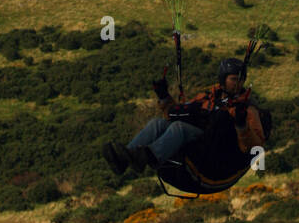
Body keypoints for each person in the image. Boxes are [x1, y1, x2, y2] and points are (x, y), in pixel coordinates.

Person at [102, 56, 270, 179]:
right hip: (198, 142)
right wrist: (164, 97)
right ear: (223, 79)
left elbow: (256, 145)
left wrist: (241, 125)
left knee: (178, 128)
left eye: (241, 80)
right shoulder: (208, 96)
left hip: (216, 153)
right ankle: (124, 158)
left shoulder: (247, 108)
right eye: (234, 79)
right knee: (157, 123)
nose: (238, 84)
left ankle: (146, 157)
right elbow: (179, 112)